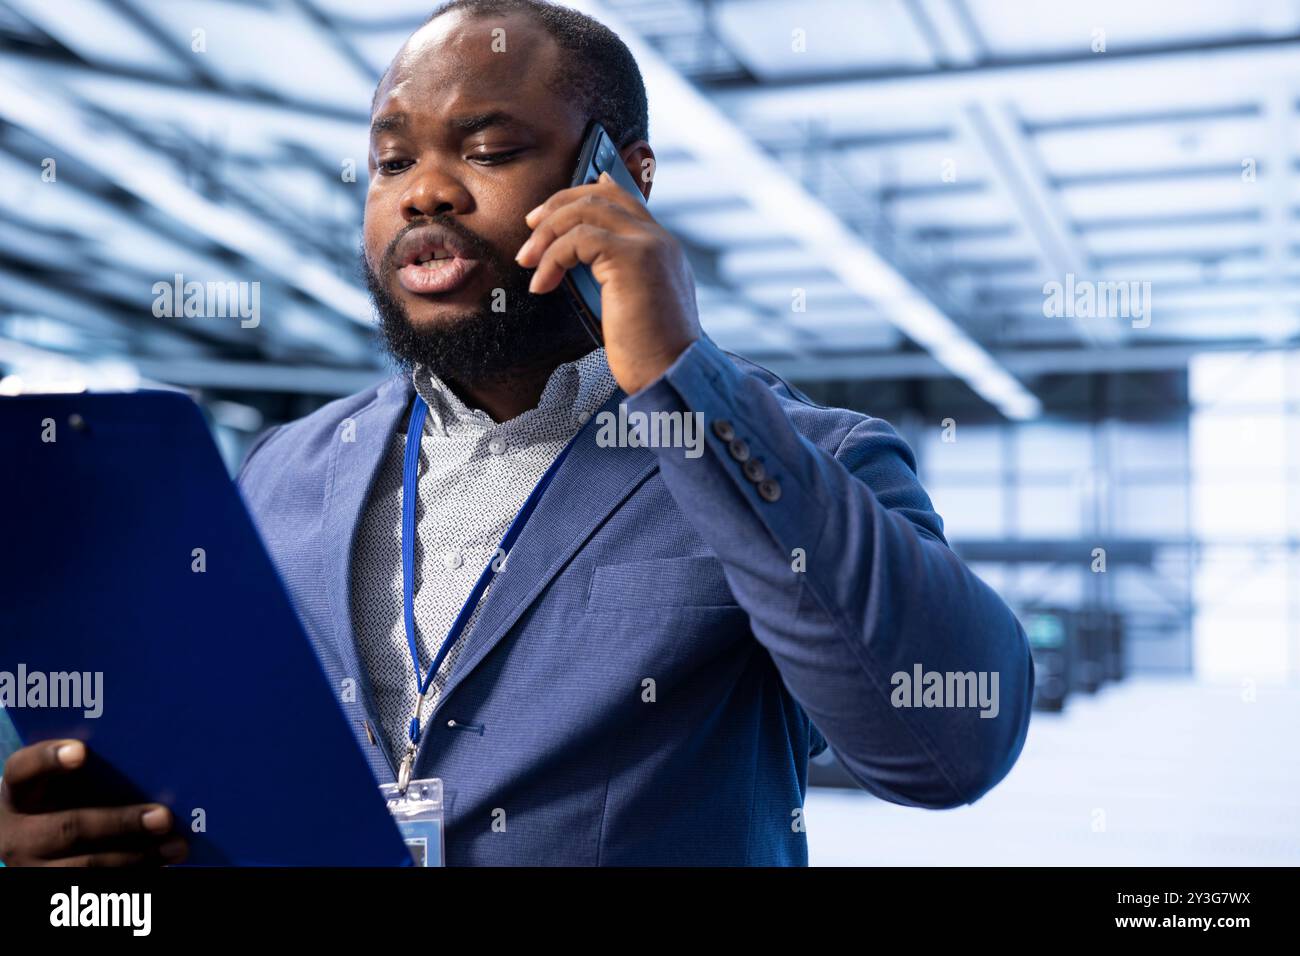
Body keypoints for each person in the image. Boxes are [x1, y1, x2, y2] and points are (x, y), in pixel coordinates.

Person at [0, 0, 1032, 867]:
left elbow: (947, 745)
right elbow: (234, 770)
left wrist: (683, 376)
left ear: (622, 178)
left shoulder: (805, 455)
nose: (425, 188)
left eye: (489, 149)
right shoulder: (284, 470)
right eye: (388, 158)